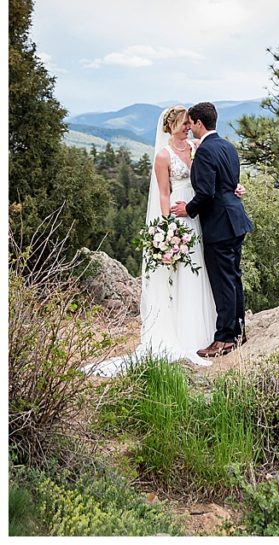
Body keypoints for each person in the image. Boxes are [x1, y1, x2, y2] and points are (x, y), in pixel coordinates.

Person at [85, 105, 243, 375]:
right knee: (195, 271)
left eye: (188, 123)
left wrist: (232, 187)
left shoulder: (198, 147)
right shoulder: (163, 155)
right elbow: (163, 193)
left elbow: (212, 179)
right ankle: (197, 330)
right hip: (180, 217)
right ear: (170, 126)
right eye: (182, 123)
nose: (186, 127)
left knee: (210, 273)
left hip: (199, 216)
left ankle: (218, 331)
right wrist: (166, 226)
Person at [171, 101, 254, 358]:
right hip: (235, 220)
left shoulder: (205, 151)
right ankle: (238, 331)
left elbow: (206, 192)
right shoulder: (227, 146)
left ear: (198, 123)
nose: (190, 128)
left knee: (223, 281)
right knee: (233, 277)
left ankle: (224, 339)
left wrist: (189, 209)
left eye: (191, 123)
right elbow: (230, 183)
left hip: (220, 225)